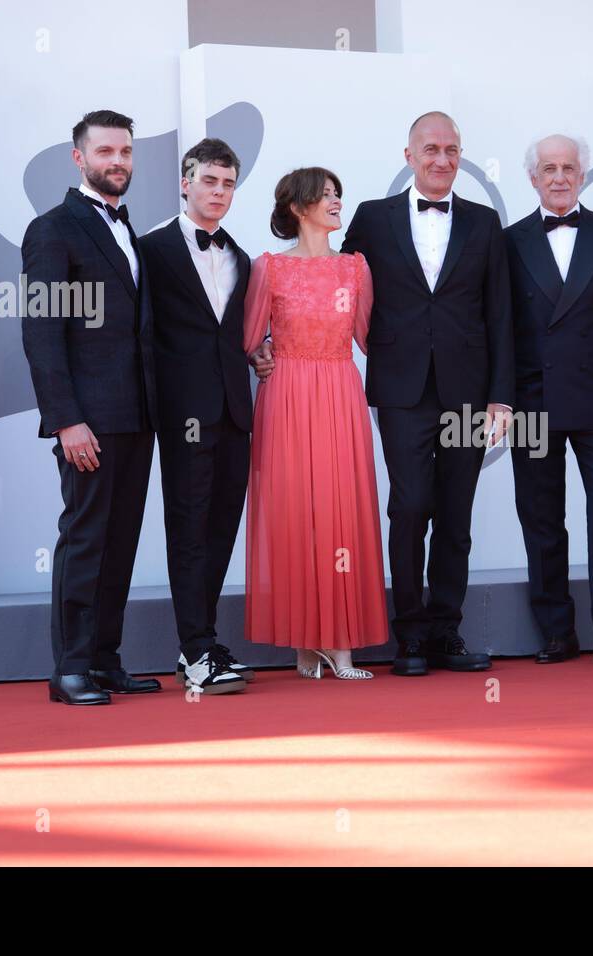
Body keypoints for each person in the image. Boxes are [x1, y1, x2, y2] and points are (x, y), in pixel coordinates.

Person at [341, 111, 514, 677]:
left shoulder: (485, 223)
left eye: (453, 150)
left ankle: (446, 630)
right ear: (409, 154)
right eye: (432, 149)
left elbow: (501, 315)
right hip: (400, 387)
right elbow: (335, 284)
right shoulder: (371, 218)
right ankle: (409, 635)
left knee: (456, 512)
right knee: (411, 504)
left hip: (467, 391)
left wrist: (501, 397)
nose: (443, 160)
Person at [21, 109, 160, 704]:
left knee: (121, 540)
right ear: (79, 158)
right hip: (88, 421)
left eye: (125, 152)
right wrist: (66, 419)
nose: (118, 162)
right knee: (85, 538)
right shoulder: (53, 228)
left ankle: (105, 660)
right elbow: (42, 332)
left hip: (137, 416)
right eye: (105, 152)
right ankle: (70, 668)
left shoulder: (129, 229)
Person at [504, 134, 593, 665]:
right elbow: (500, 330)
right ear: (533, 178)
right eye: (549, 168)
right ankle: (556, 633)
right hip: (531, 402)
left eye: (568, 168)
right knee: (541, 518)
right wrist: (501, 401)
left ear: (582, 176)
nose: (560, 177)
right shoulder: (511, 241)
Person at [242, 168, 387, 679]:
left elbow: (373, 339)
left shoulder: (356, 269)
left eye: (337, 193)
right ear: (298, 207)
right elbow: (247, 337)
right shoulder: (269, 268)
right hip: (285, 397)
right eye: (324, 195)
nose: (336, 201)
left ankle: (341, 643)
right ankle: (306, 643)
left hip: (339, 392)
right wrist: (261, 354)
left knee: (340, 510)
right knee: (294, 513)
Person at [140, 138, 253, 695]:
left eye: (228, 183)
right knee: (187, 529)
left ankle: (200, 644)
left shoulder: (242, 256)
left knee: (221, 529)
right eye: (209, 181)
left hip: (236, 411)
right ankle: (196, 649)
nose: (219, 192)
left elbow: (234, 334)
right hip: (182, 413)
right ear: (185, 183)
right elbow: (140, 336)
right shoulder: (151, 250)